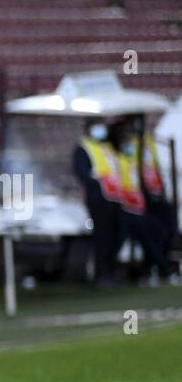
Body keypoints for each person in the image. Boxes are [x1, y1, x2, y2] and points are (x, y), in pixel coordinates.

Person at [73, 115, 172, 285]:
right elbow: (84, 174)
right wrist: (98, 183)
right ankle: (103, 275)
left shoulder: (108, 147)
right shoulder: (84, 148)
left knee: (117, 237)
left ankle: (112, 272)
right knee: (104, 238)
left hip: (118, 199)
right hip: (99, 200)